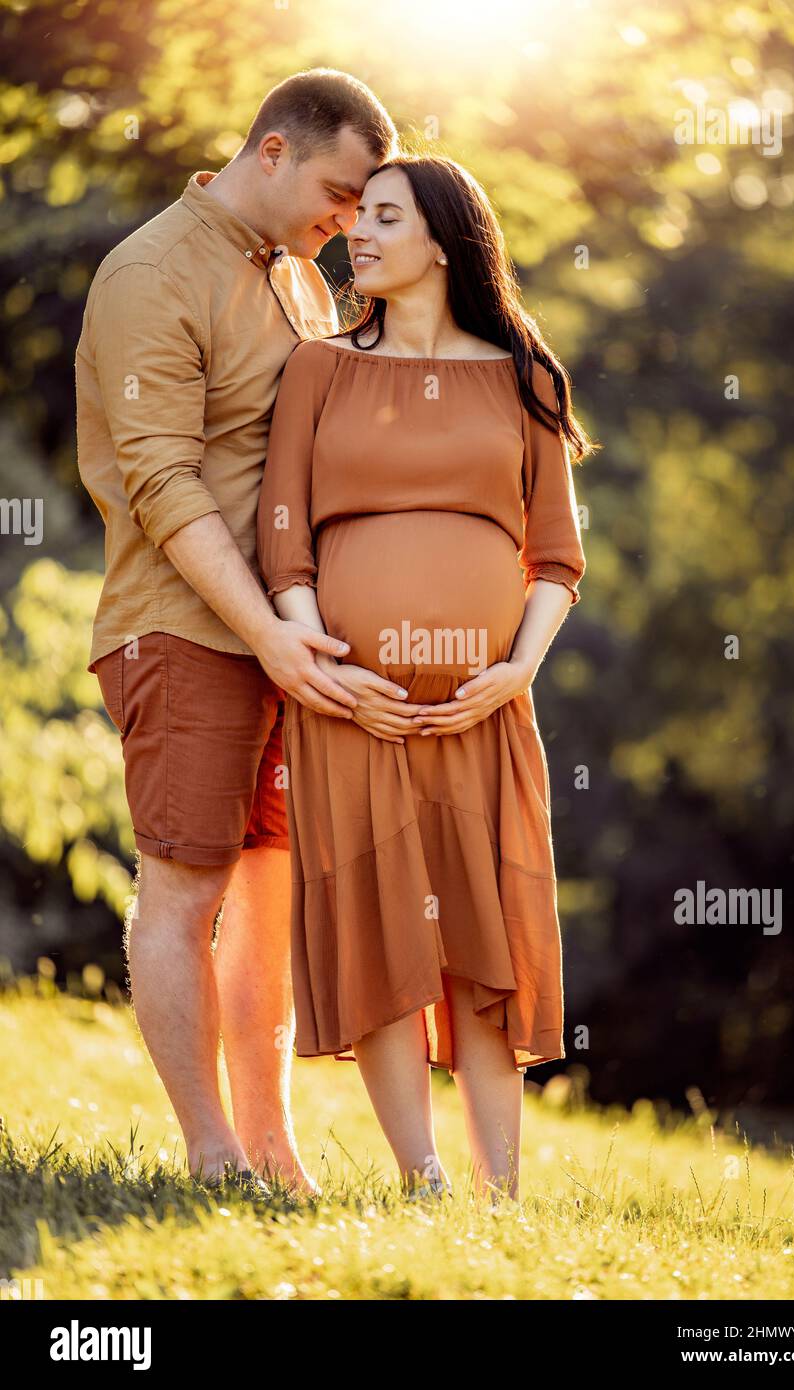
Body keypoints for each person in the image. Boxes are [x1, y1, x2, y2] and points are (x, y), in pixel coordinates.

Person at [75, 69, 398, 1190]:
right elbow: (162, 482)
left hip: (286, 637)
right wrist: (263, 628)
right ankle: (208, 1151)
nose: (349, 218)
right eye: (338, 189)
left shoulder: (303, 285)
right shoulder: (151, 272)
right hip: (183, 630)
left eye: (365, 202)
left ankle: (273, 1151)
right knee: (187, 884)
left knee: (273, 891)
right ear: (272, 151)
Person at [257, 154, 592, 1202]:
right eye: (356, 215)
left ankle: (499, 1191)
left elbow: (556, 557)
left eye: (384, 217)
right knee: (381, 933)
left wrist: (511, 673)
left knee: (484, 943)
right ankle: (424, 1181)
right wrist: (319, 658)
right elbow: (282, 535)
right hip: (351, 705)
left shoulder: (522, 375)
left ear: (442, 241)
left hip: (484, 710)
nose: (359, 233)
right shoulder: (317, 368)